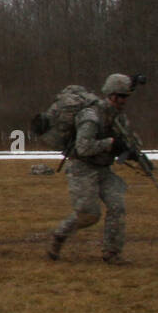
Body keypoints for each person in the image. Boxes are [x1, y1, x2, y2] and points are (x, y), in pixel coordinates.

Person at [47, 74, 134, 264]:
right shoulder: (91, 117)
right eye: (121, 96)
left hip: (103, 169)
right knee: (89, 215)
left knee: (117, 206)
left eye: (126, 96)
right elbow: (83, 147)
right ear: (111, 95)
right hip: (82, 169)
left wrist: (129, 150)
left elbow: (128, 138)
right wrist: (110, 144)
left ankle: (112, 253)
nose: (124, 100)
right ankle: (58, 236)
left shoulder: (119, 117)